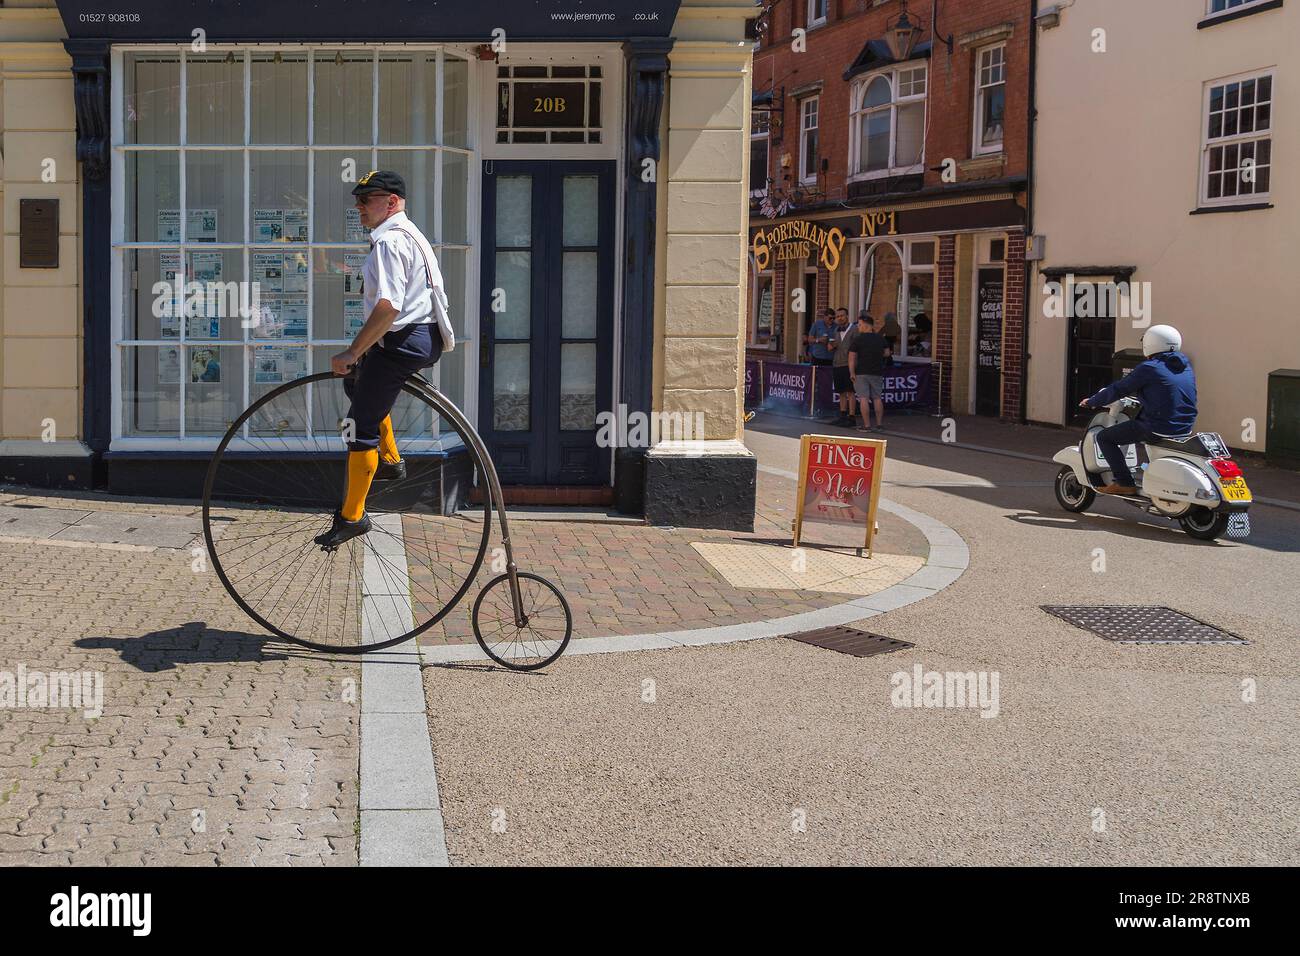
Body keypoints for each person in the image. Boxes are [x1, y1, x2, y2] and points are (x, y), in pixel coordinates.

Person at [314, 170, 456, 548]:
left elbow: (388, 308)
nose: (359, 207)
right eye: (357, 200)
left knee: (359, 428)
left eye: (367, 199)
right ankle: (390, 460)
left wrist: (352, 350)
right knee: (356, 381)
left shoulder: (390, 243)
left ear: (391, 202)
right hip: (422, 337)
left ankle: (352, 516)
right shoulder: (410, 235)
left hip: (401, 342)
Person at [1080, 324, 1197, 496]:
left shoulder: (1149, 367)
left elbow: (1119, 389)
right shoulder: (1183, 366)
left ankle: (1124, 483)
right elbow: (1166, 391)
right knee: (1133, 429)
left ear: (1150, 343)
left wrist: (1092, 401)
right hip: (1184, 426)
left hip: (1158, 427)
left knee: (1105, 437)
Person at [848, 312, 887, 432]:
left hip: (861, 372)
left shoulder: (857, 340)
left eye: (859, 325)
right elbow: (887, 353)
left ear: (865, 325)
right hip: (877, 372)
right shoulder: (880, 338)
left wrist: (852, 373)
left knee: (863, 398)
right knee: (877, 398)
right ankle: (879, 424)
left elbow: (851, 358)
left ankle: (867, 425)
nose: (858, 327)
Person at [830, 307, 857, 426]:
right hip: (837, 363)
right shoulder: (836, 330)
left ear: (847, 316)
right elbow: (830, 348)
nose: (839, 318)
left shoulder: (855, 329)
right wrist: (831, 345)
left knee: (850, 391)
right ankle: (842, 415)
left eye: (842, 316)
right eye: (837, 316)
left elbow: (858, 347)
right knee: (841, 391)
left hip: (849, 364)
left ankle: (851, 417)